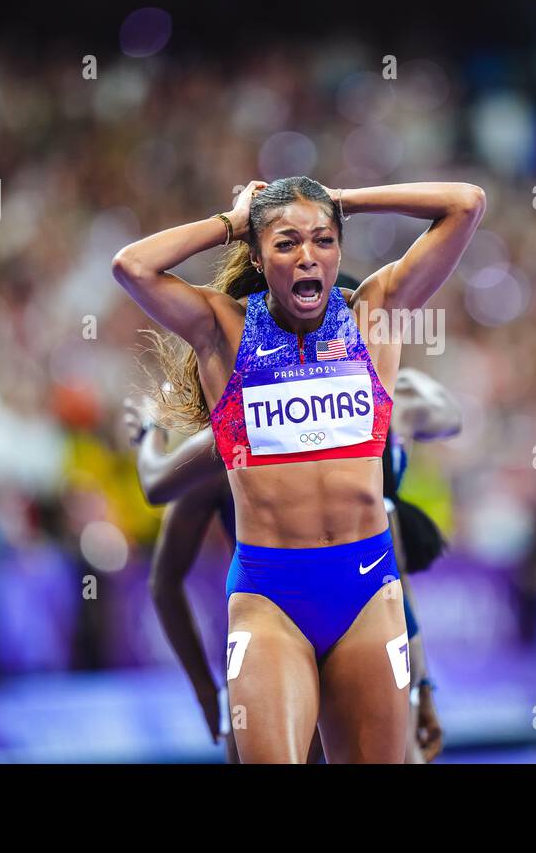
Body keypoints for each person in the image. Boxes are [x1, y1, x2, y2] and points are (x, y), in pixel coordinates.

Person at [112, 176, 484, 762]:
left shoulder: (374, 317)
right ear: (258, 258)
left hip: (367, 591)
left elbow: (465, 203)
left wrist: (347, 202)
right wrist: (234, 220)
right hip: (270, 596)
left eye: (323, 240)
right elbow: (132, 266)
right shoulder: (223, 330)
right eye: (286, 243)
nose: (308, 255)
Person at [124, 359, 459, 763]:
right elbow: (447, 416)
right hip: (333, 614)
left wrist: (150, 432)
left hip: (302, 616)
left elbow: (156, 490)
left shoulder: (242, 430)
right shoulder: (369, 402)